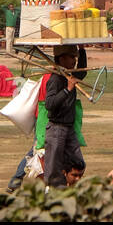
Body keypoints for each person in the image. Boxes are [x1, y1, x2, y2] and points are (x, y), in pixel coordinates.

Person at [42, 44, 88, 189]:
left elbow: (82, 72)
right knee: (53, 167)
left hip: (69, 128)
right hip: (56, 129)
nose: (74, 61)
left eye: (75, 58)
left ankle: (70, 188)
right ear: (62, 59)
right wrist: (68, 90)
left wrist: (82, 49)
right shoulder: (55, 79)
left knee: (78, 163)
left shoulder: (70, 75)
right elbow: (49, 103)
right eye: (72, 57)